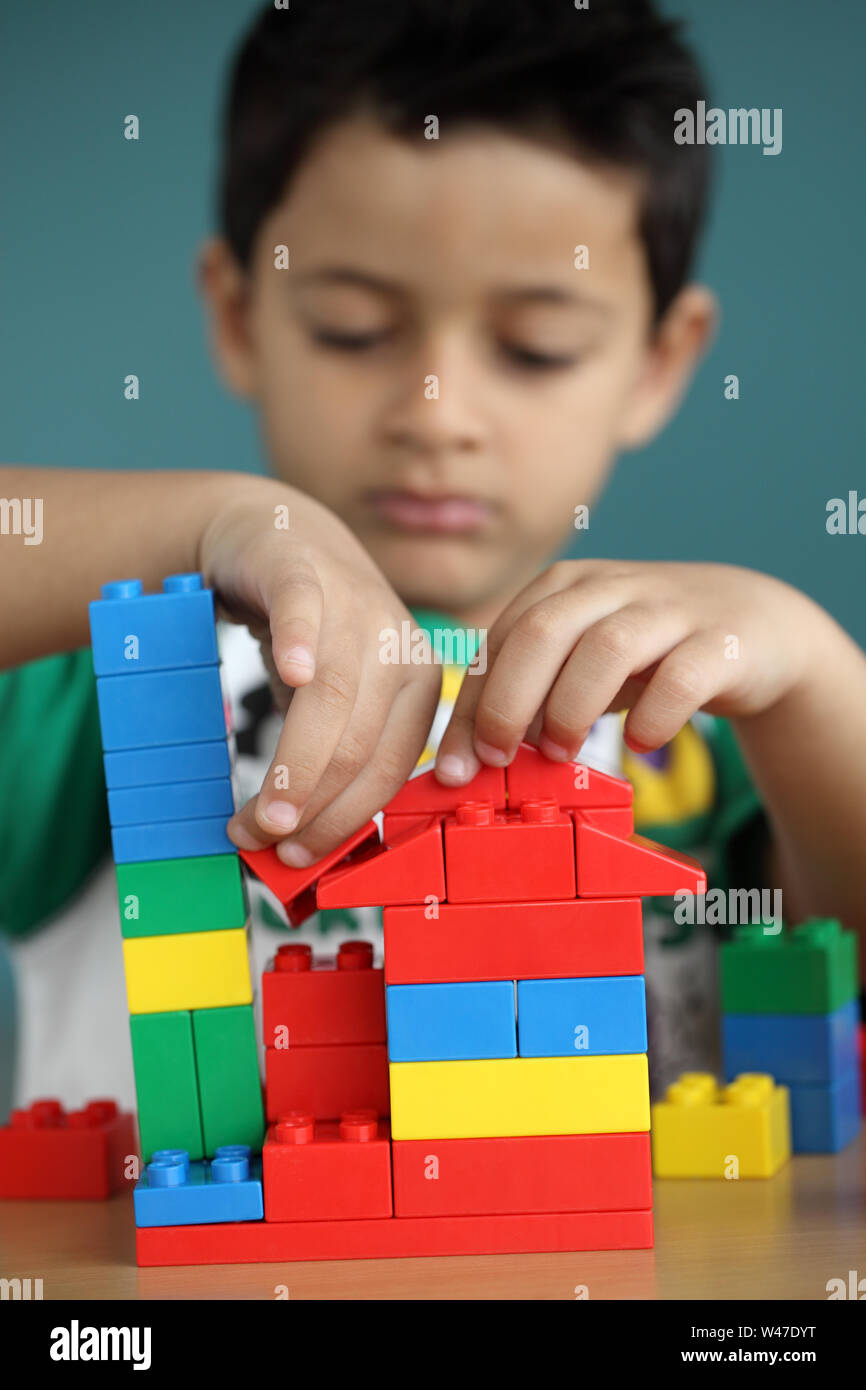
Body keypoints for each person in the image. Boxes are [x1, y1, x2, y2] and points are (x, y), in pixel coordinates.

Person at [2, 0, 865, 1107]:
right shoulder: (110, 676)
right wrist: (213, 519)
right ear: (234, 313)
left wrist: (810, 670)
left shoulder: (706, 713)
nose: (436, 411)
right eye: (354, 329)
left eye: (534, 348)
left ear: (657, 361)